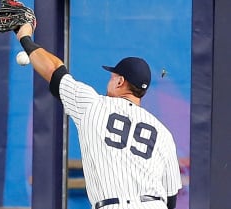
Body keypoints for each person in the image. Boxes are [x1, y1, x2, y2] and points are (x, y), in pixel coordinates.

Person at [14, 23, 182, 209]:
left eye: (112, 76)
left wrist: (25, 38)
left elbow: (54, 69)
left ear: (120, 81)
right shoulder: (164, 133)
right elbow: (171, 197)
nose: (109, 80)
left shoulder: (93, 104)